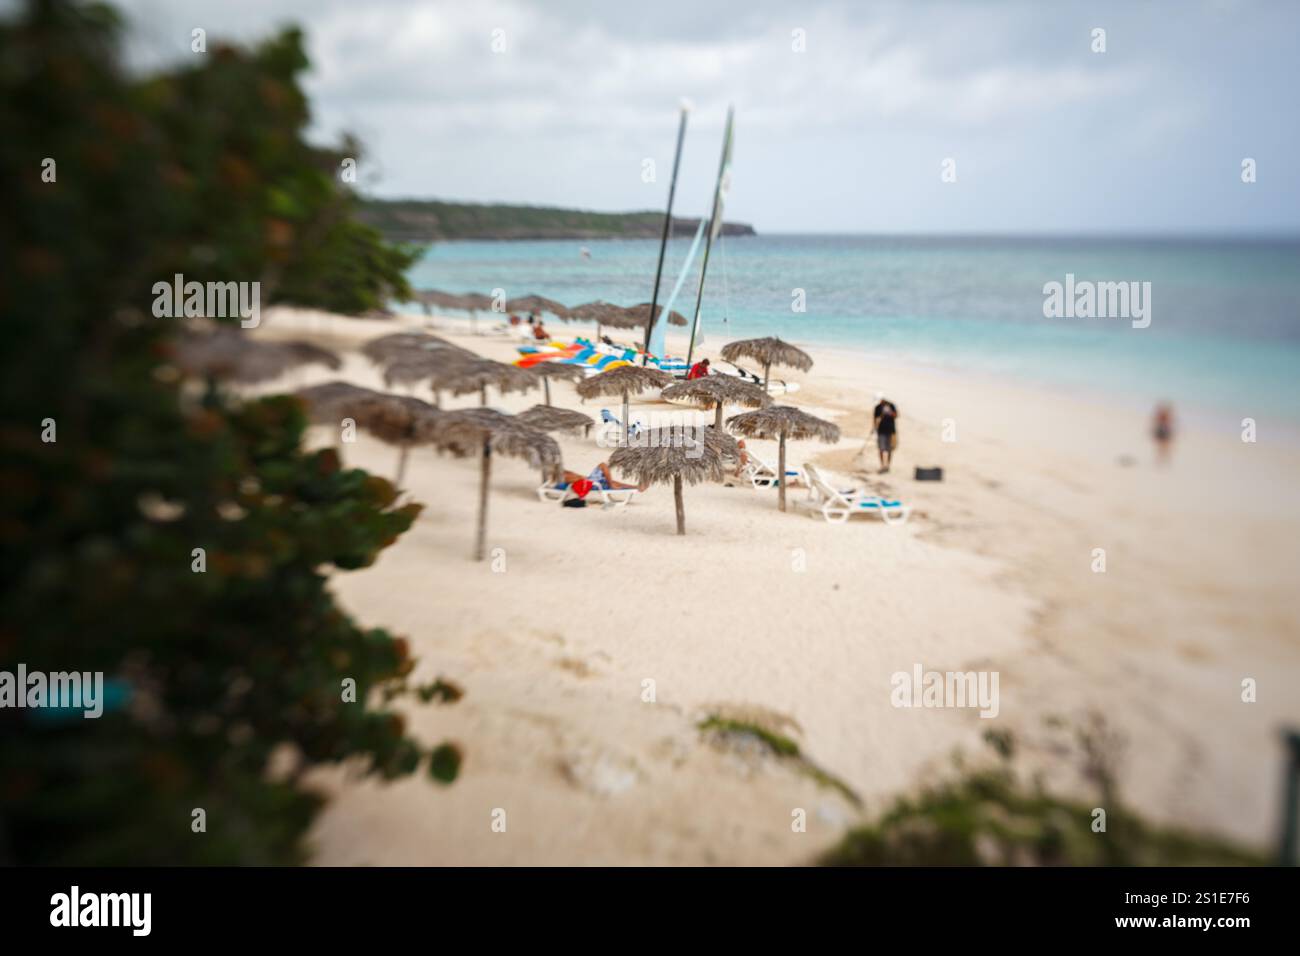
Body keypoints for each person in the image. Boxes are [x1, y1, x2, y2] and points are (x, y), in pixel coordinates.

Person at [560, 462, 648, 493]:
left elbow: (578, 476)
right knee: (603, 466)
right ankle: (611, 484)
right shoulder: (562, 477)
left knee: (605, 469)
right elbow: (578, 480)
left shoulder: (564, 473)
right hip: (590, 484)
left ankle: (636, 487)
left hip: (589, 480)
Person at [872, 392, 899, 473]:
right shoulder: (877, 408)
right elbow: (875, 419)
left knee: (889, 449)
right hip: (881, 431)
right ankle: (882, 465)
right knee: (881, 448)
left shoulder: (891, 405)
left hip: (891, 431)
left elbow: (896, 415)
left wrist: (889, 413)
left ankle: (887, 466)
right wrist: (874, 428)